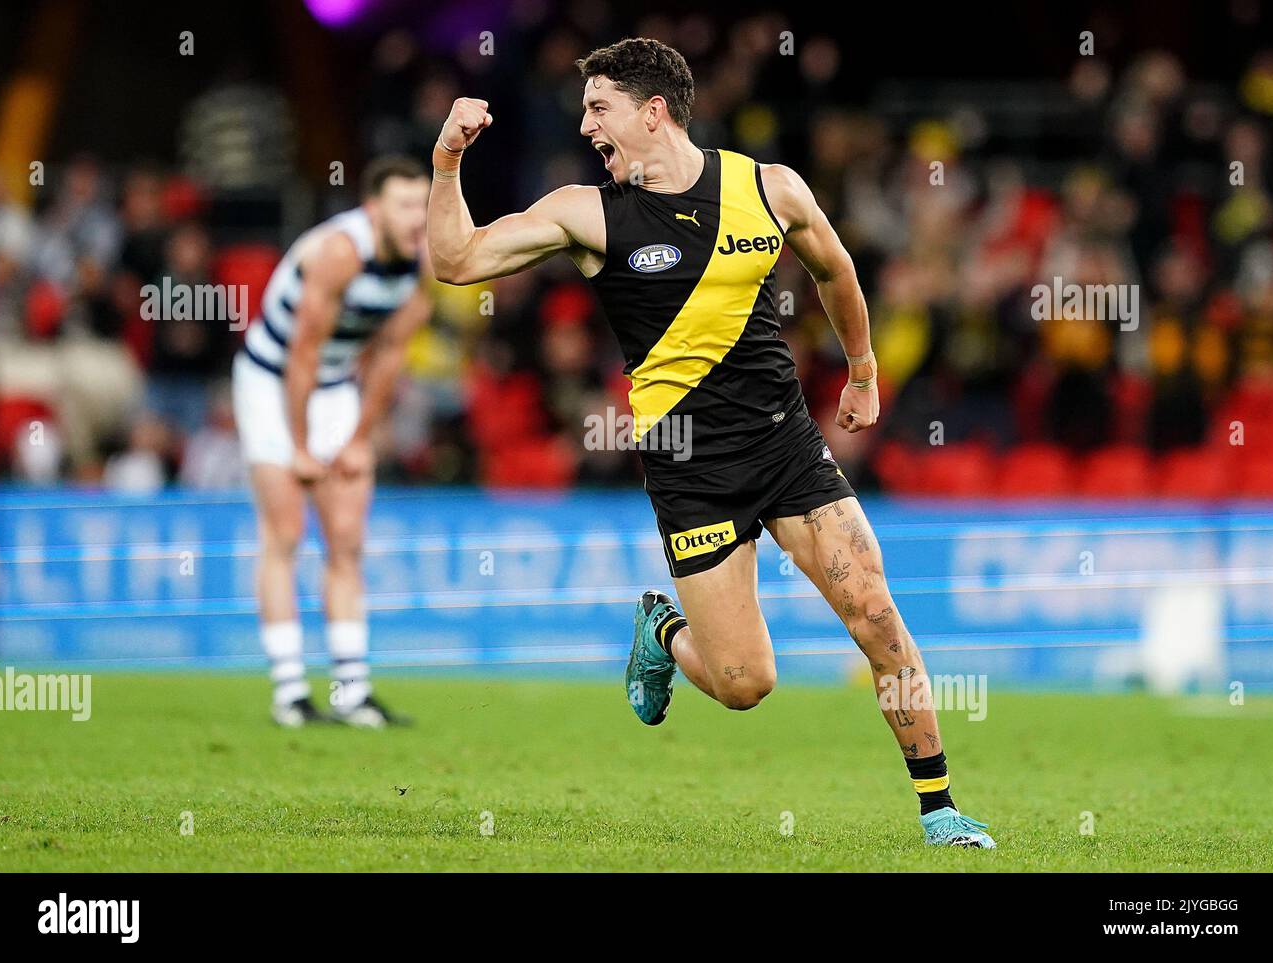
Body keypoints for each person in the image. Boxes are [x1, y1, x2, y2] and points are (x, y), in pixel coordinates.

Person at [426, 39, 995, 847]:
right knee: (743, 684)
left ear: (652, 112)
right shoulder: (588, 214)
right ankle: (661, 629)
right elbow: (455, 261)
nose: (587, 127)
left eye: (600, 109)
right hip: (690, 470)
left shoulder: (768, 189)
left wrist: (862, 372)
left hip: (787, 446)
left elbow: (835, 271)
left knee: (875, 612)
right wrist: (448, 157)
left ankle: (940, 811)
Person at [234, 156, 431, 728]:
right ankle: (290, 693)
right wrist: (301, 446)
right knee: (286, 533)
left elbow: (391, 354)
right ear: (373, 209)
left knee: (346, 538)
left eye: (422, 204)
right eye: (403, 205)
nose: (416, 217)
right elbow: (302, 352)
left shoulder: (422, 262)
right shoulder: (340, 253)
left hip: (336, 384)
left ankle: (351, 693)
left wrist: (358, 438)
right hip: (273, 383)